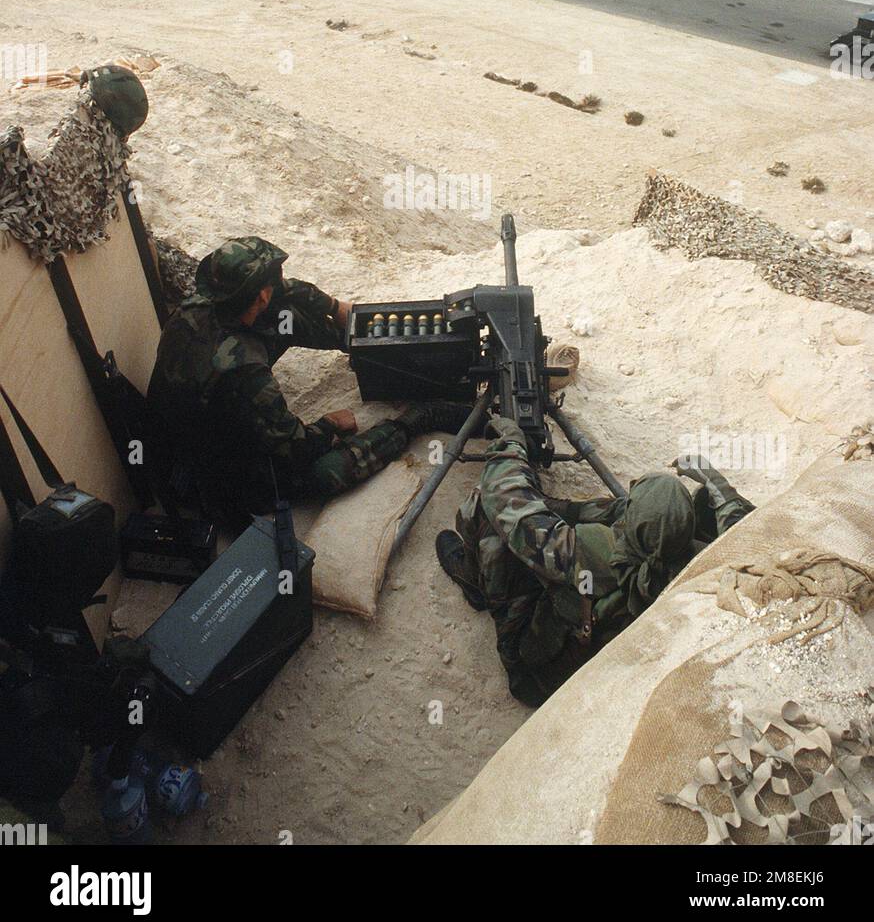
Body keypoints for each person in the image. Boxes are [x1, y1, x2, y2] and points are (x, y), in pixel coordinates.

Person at [436, 415, 755, 708]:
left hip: (540, 677)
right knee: (611, 511)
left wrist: (512, 443)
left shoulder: (589, 552)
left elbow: (507, 505)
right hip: (602, 665)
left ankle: (475, 583)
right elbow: (752, 538)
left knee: (489, 519)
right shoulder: (696, 565)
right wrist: (716, 485)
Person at [148, 236, 466, 525]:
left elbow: (287, 291)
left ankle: (362, 347)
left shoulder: (202, 303)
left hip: (199, 412)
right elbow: (295, 447)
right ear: (259, 294)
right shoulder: (246, 372)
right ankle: (414, 421)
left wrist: (339, 310)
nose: (278, 286)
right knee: (329, 472)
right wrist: (329, 425)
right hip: (221, 471)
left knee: (284, 315)